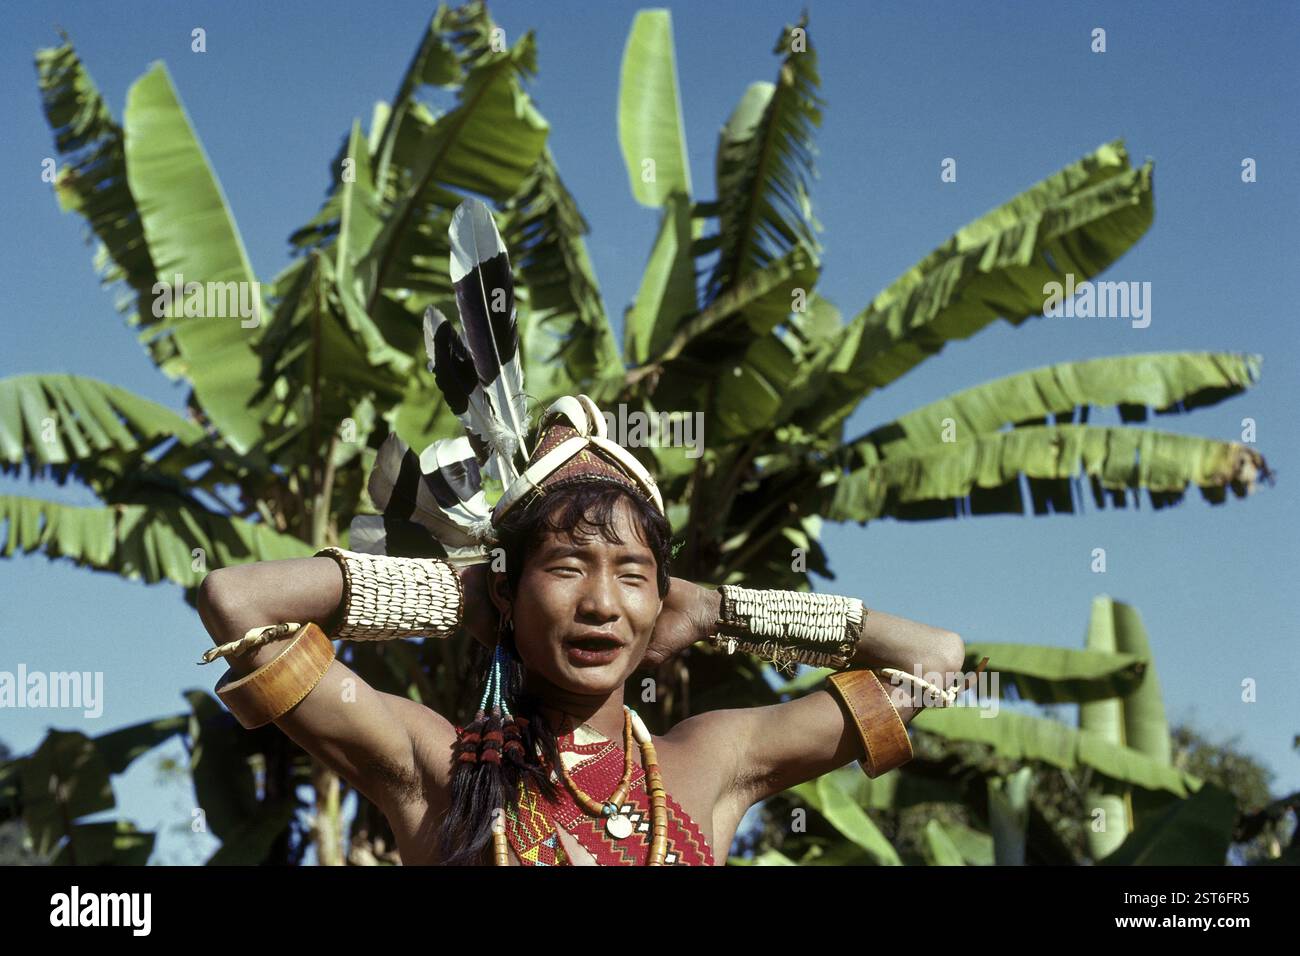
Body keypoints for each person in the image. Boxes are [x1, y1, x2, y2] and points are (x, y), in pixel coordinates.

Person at [195, 201, 972, 866]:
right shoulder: (428, 764)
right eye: (567, 567)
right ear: (510, 587)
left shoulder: (712, 764)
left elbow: (932, 660)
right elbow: (237, 600)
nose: (603, 603)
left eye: (633, 574)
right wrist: (460, 593)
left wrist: (711, 611)